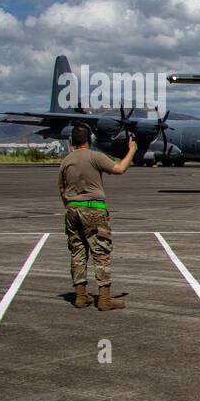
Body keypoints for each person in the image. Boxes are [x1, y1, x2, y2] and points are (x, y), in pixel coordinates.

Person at [59, 123, 135, 310]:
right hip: (93, 209)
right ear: (90, 139)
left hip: (72, 209)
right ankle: (104, 298)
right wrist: (132, 151)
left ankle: (81, 296)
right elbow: (119, 169)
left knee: (78, 251)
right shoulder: (95, 156)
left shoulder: (66, 161)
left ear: (71, 141)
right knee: (101, 252)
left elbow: (62, 189)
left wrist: (70, 207)